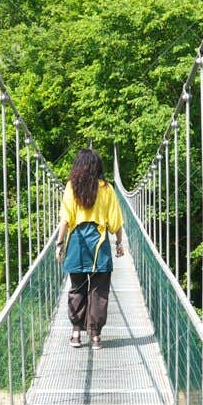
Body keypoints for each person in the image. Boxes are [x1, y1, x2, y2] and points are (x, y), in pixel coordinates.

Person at [55, 147, 124, 347]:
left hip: (76, 243)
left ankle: (76, 333)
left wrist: (59, 244)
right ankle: (95, 336)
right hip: (100, 244)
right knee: (99, 291)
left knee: (77, 288)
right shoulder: (107, 189)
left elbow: (65, 219)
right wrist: (119, 242)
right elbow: (115, 220)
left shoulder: (71, 186)